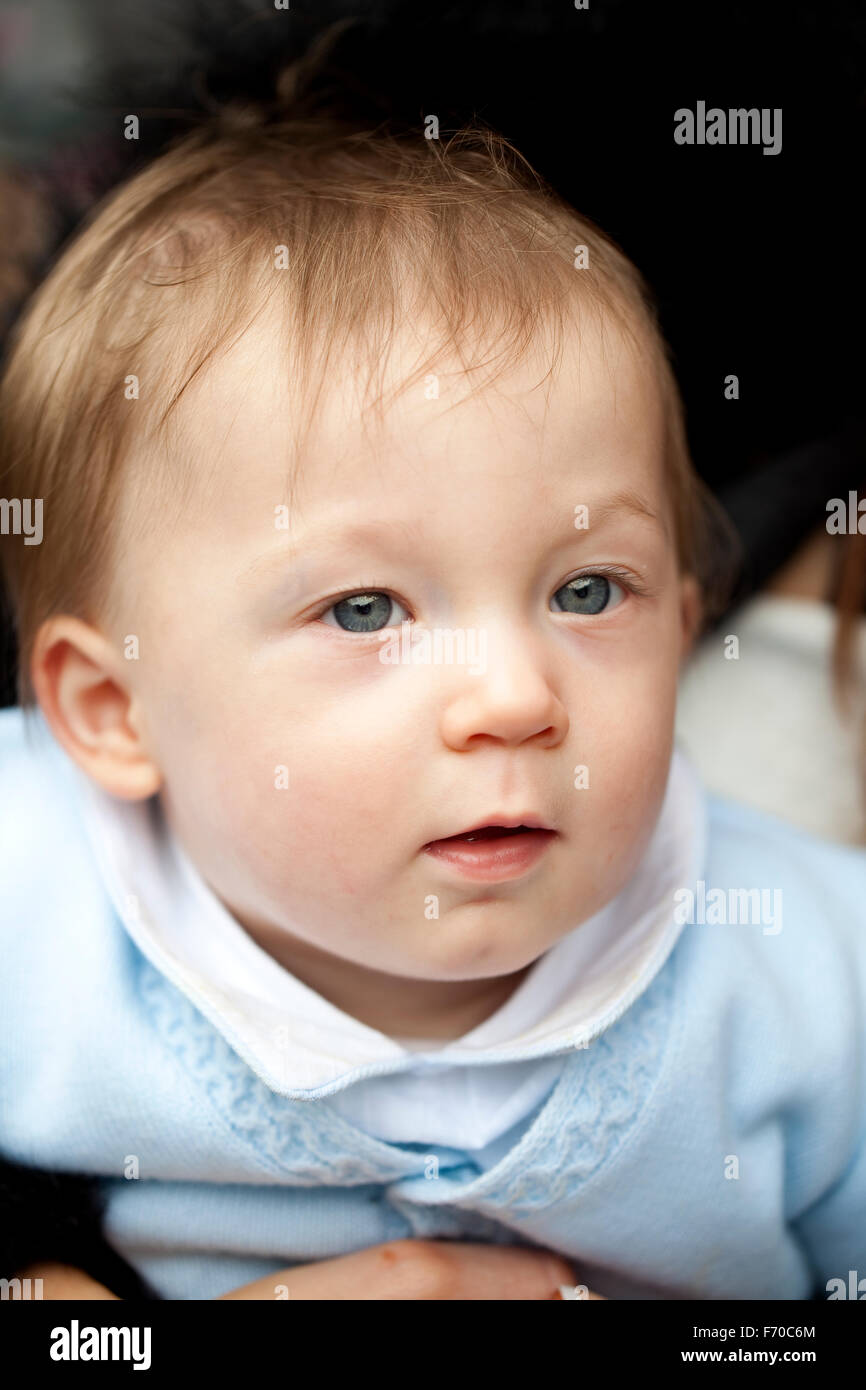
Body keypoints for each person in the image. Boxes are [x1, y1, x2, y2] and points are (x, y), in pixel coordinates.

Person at [0, 92, 864, 1301]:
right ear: (111, 710)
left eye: (585, 591)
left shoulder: (814, 975)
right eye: (365, 611)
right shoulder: (28, 884)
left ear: (681, 624)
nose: (516, 698)